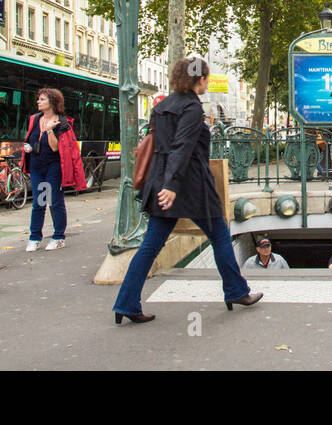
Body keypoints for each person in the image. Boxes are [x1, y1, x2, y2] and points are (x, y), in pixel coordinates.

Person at [112, 57, 261, 324]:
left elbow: (159, 147)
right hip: (190, 187)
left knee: (150, 246)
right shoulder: (192, 109)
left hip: (160, 183)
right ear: (198, 80)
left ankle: (126, 303)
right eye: (204, 78)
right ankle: (236, 291)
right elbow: (181, 148)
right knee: (219, 236)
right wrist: (172, 186)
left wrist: (165, 184)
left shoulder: (163, 106)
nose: (205, 82)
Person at [22, 88, 85, 251]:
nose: (38, 102)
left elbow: (56, 148)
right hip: (36, 165)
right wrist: (27, 147)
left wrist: (50, 130)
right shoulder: (34, 119)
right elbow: (30, 138)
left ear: (52, 102)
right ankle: (35, 237)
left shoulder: (61, 123)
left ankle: (58, 237)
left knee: (54, 201)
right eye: (39, 99)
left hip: (54, 166)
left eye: (42, 99)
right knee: (38, 202)